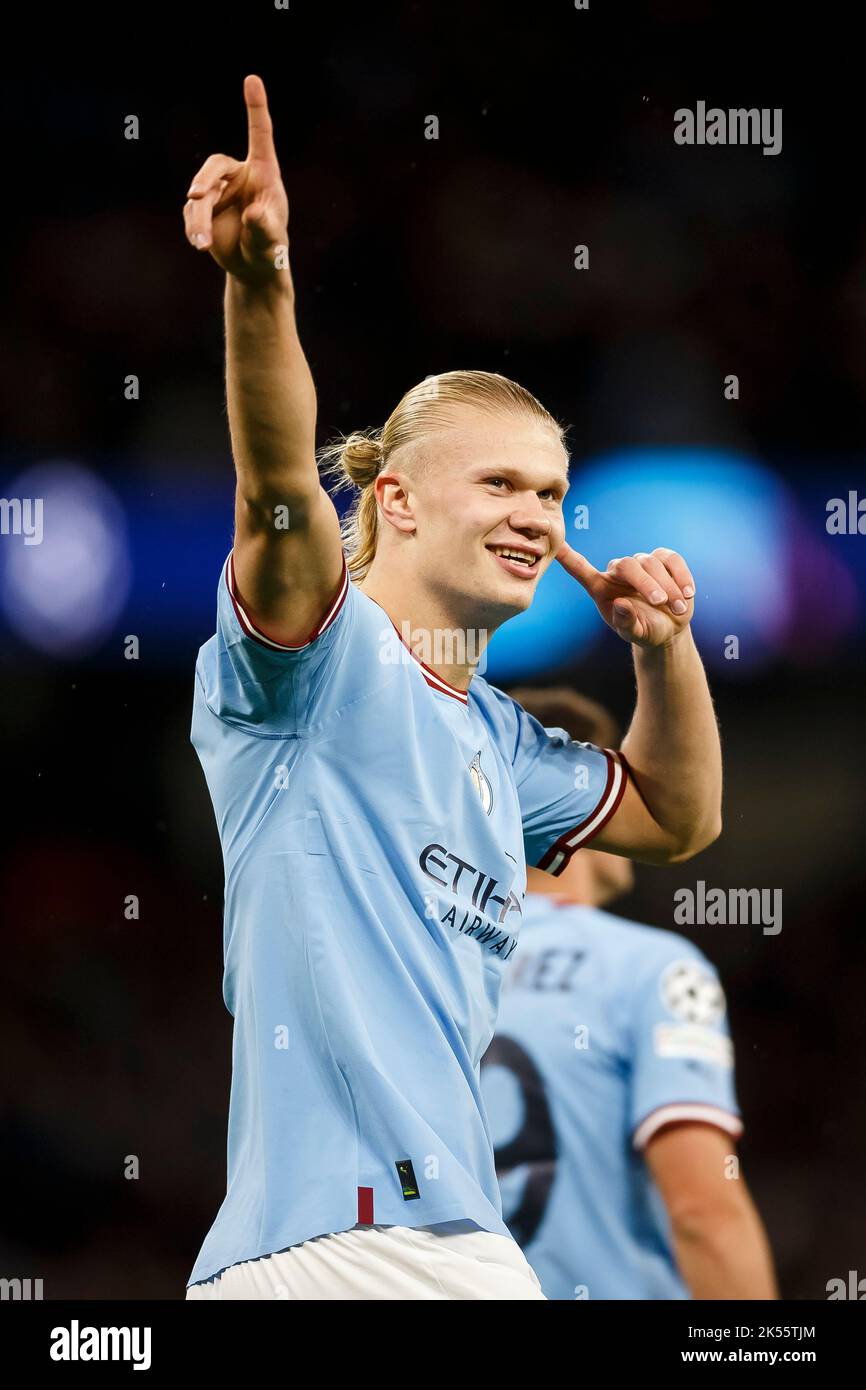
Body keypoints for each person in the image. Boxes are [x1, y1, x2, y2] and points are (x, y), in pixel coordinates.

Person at [181, 74, 722, 1300]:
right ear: (398, 501)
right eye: (499, 485)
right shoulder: (317, 663)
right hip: (361, 1247)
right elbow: (275, 473)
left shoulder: (505, 742)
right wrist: (259, 285)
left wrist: (660, 649)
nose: (534, 515)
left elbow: (678, 818)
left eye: (548, 491)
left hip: (386, 1247)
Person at [481, 686, 778, 1300]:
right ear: (579, 790)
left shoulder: (428, 973)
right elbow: (703, 1214)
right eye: (621, 773)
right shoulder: (652, 969)